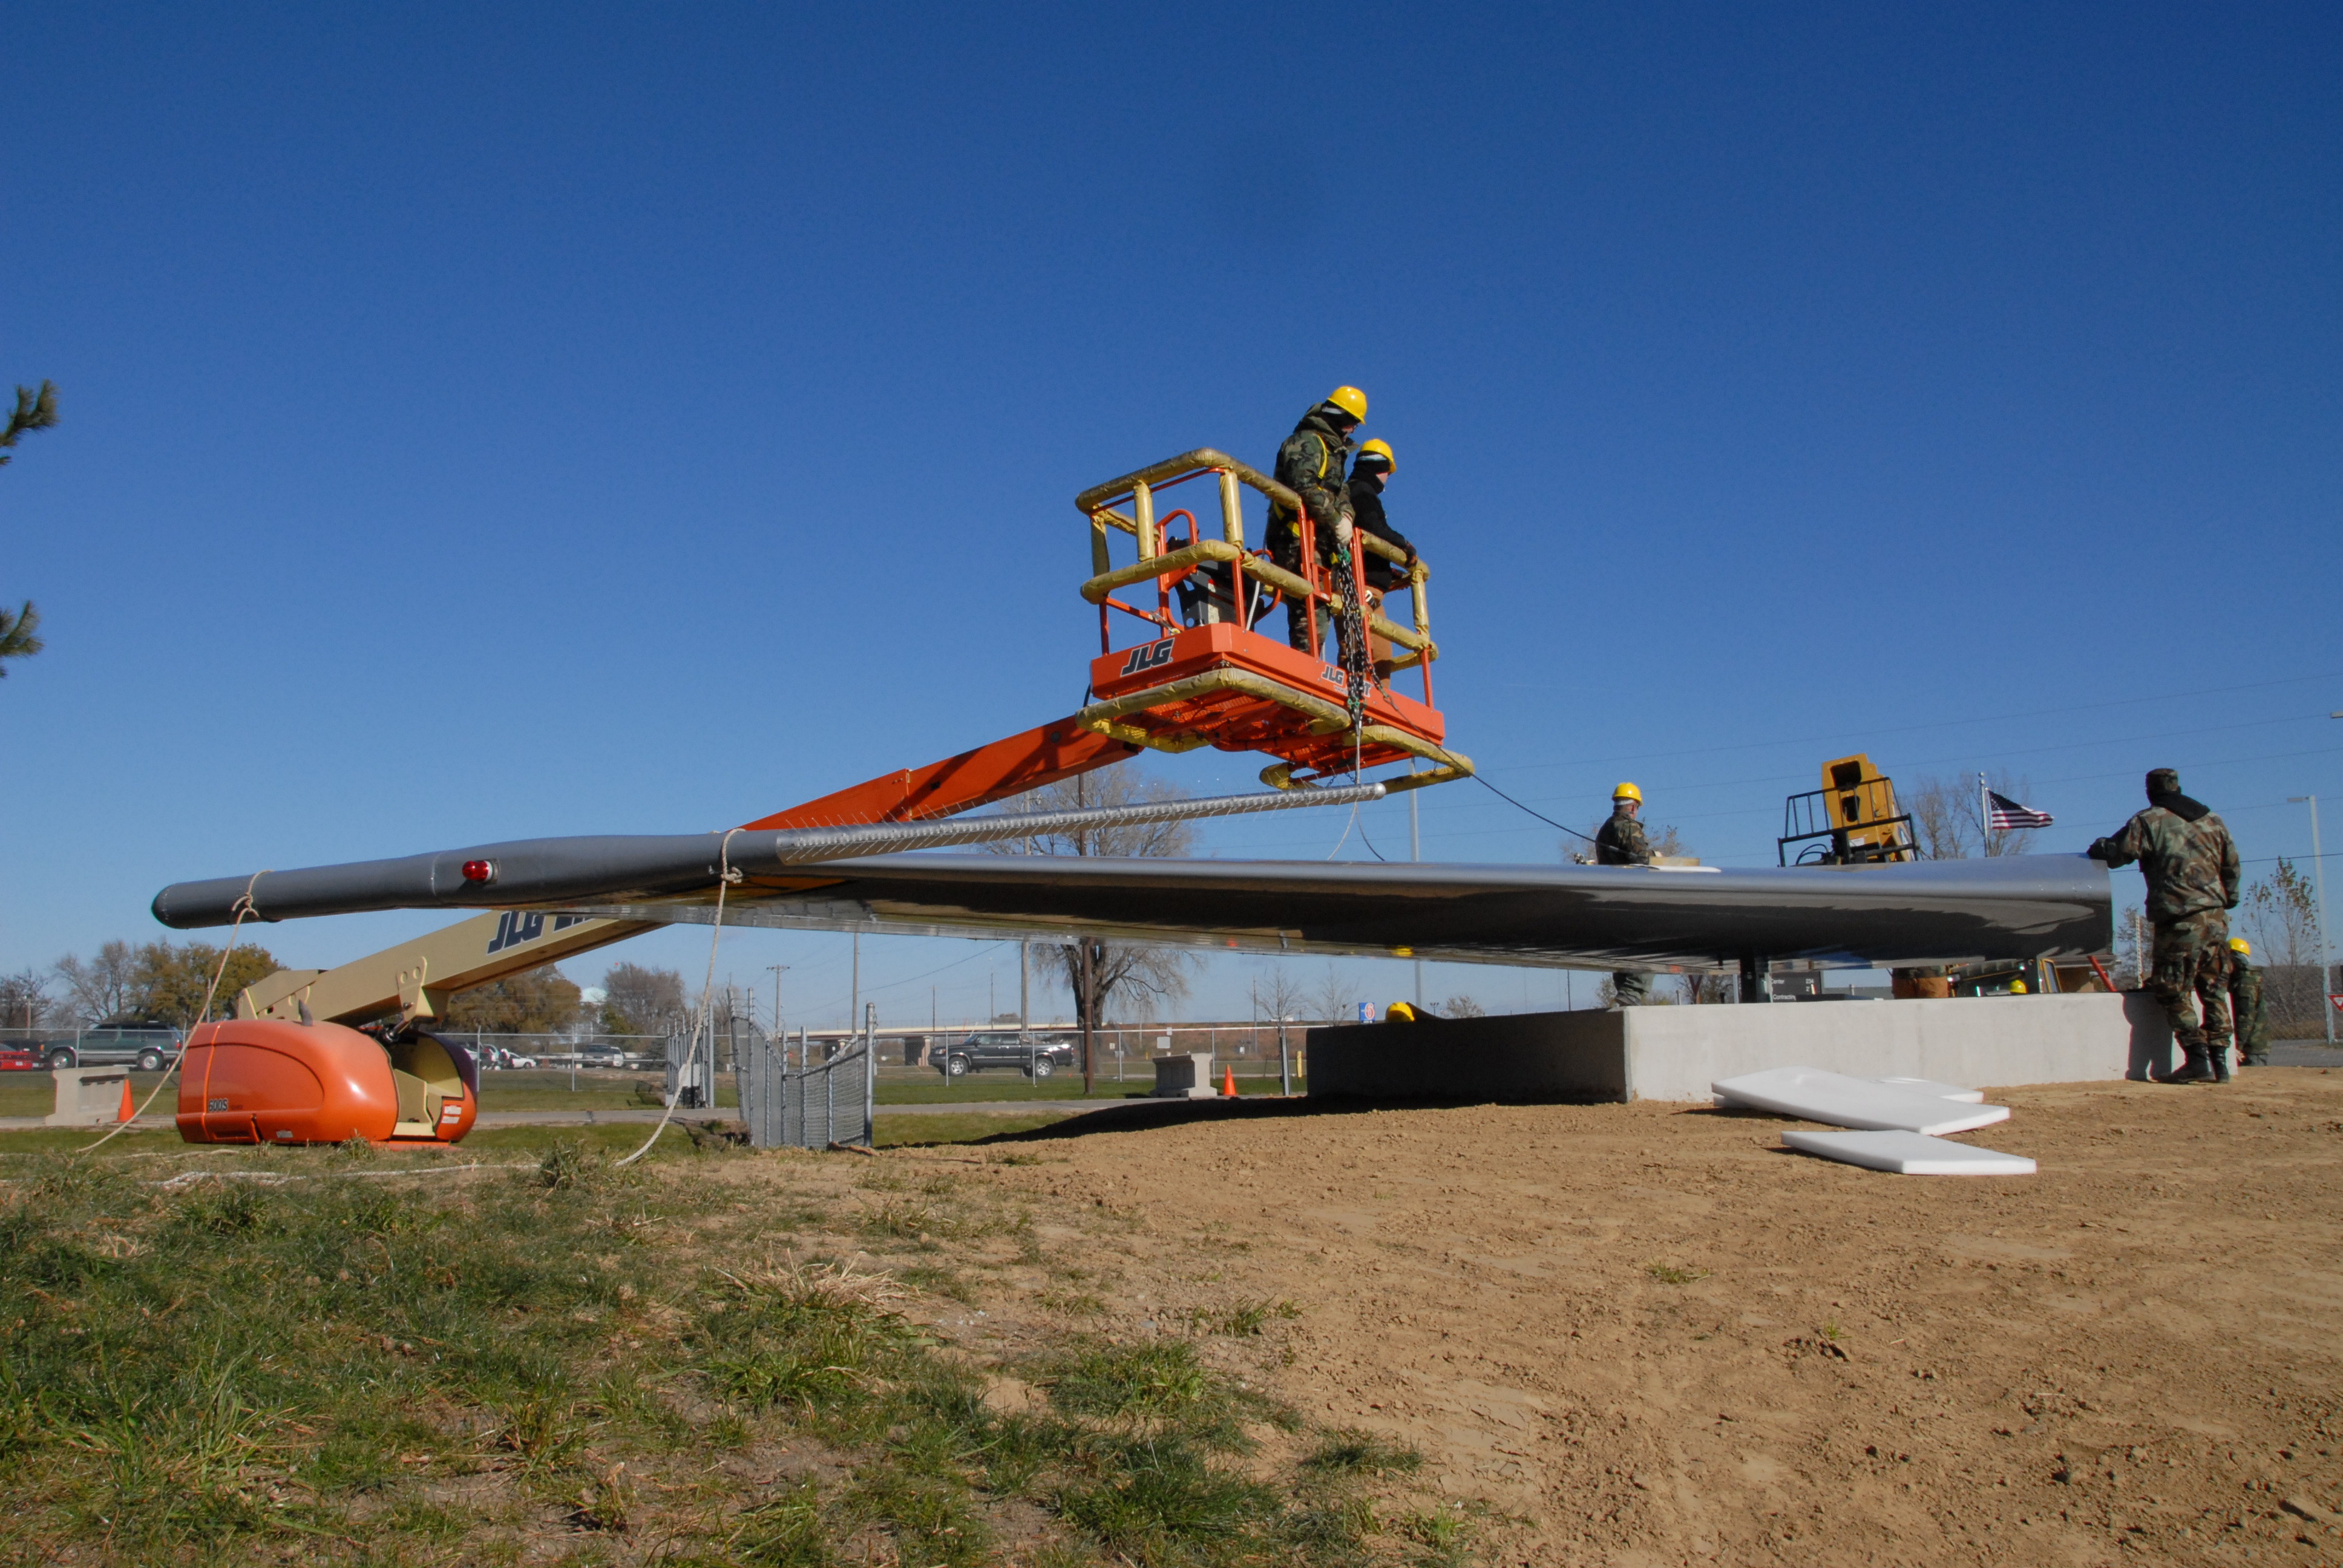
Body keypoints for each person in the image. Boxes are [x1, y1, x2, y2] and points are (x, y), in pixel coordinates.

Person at [2088, 768, 2243, 1083]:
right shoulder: (2213, 820)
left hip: (2179, 919)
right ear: (2179, 786)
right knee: (2214, 988)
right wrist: (2227, 900)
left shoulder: (2149, 820)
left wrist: (2099, 848)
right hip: (2215, 919)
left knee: (2172, 988)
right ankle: (2221, 1063)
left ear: (2150, 791)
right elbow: (2232, 866)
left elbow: (2118, 854)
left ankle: (2197, 1058)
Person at [1264, 386, 1367, 652]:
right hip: (1296, 539)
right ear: (1338, 415)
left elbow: (1341, 490)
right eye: (1352, 421)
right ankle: (1306, 671)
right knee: (1310, 607)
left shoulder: (1335, 452)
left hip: (1320, 543)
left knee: (1342, 605)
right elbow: (1303, 486)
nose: (1354, 429)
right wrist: (1334, 520)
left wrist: (1346, 515)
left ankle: (1332, 669)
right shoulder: (1307, 441)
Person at [1346, 439, 1417, 680]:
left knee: (1380, 657)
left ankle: (1377, 707)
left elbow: (1367, 537)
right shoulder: (1361, 492)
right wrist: (1403, 545)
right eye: (1389, 473)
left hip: (1371, 588)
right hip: (1360, 586)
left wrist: (1387, 570)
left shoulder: (1357, 491)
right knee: (1361, 648)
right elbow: (1371, 526)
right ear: (1382, 469)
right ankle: (1358, 702)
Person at [1595, 783, 1654, 1007]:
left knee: (1622, 946)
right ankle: (1632, 992)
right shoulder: (1629, 827)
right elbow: (1641, 862)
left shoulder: (1606, 827)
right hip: (1631, 897)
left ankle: (1624, 993)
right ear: (1633, 806)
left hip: (1612, 898)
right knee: (1649, 940)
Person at [2228, 936, 2271, 1068]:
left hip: (2252, 1048)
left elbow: (2246, 1016)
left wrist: (2236, 1047)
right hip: (2249, 1045)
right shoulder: (2241, 979)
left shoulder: (2246, 981)